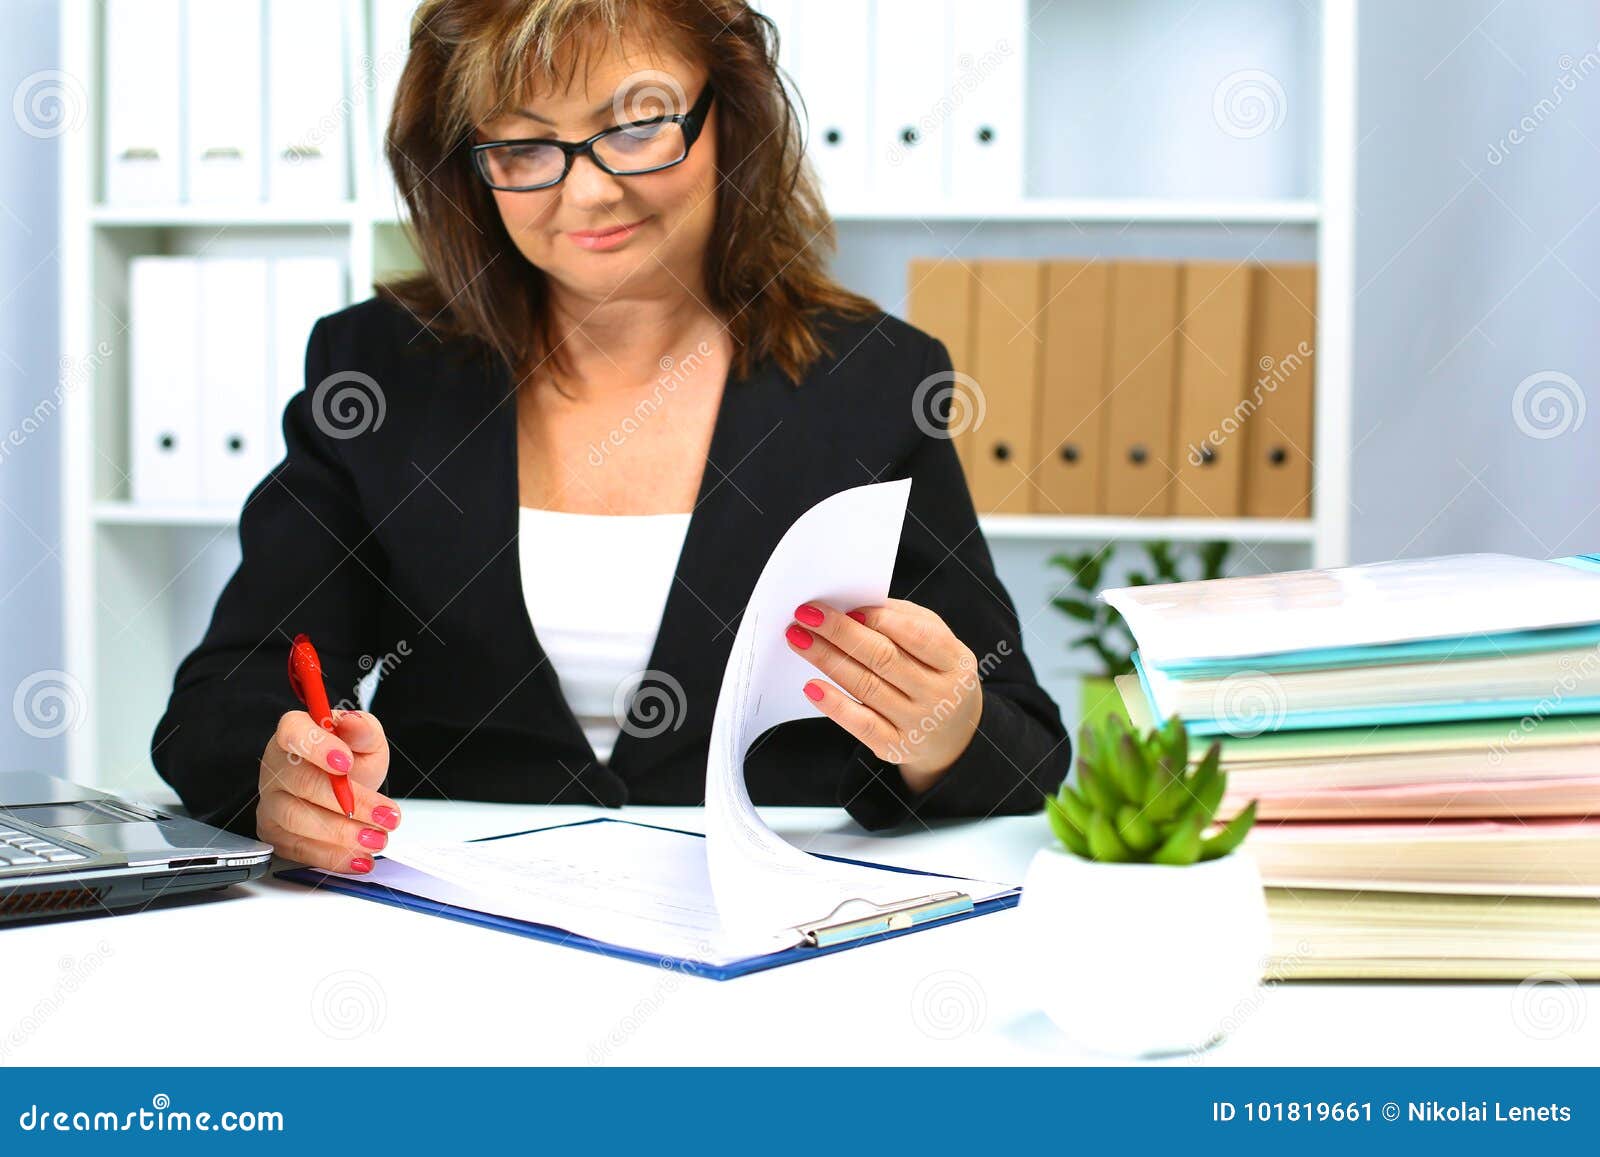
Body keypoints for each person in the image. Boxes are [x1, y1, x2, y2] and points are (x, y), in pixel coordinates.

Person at [152, 0, 1069, 875]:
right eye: (521, 144)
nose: (587, 190)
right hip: (449, 930)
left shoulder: (876, 380)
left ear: (730, 116)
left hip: (776, 932)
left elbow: (1022, 742)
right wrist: (281, 775)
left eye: (636, 126)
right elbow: (219, 705)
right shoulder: (377, 369)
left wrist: (941, 730)